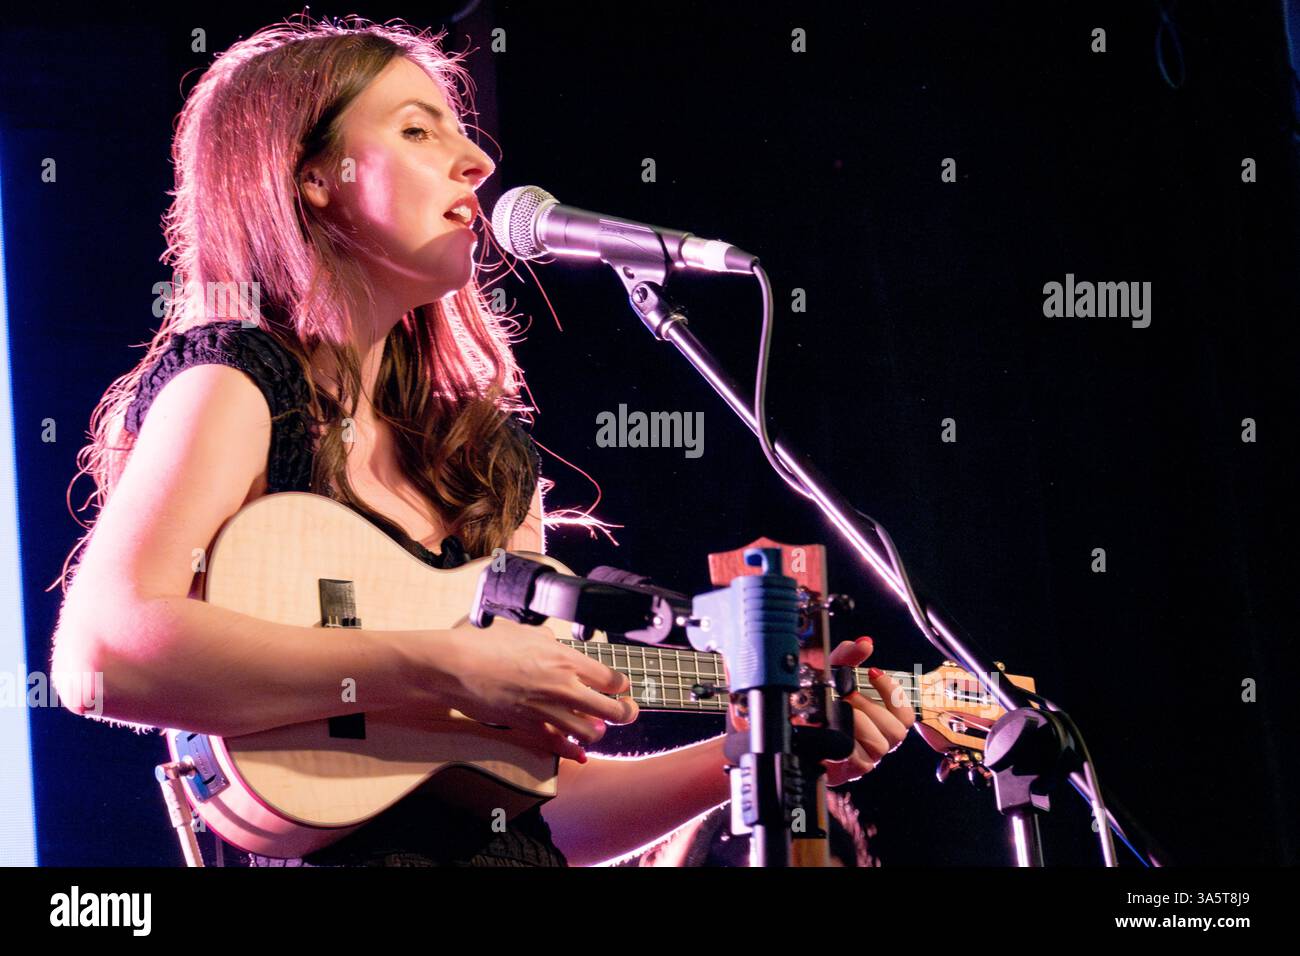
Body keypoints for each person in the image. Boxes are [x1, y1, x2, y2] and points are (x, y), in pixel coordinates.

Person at [48, 16, 916, 867]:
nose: (479, 162)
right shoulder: (240, 385)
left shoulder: (488, 456)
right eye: (418, 131)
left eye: (463, 133)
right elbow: (100, 654)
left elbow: (542, 813)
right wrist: (439, 666)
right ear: (313, 178)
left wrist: (758, 756)